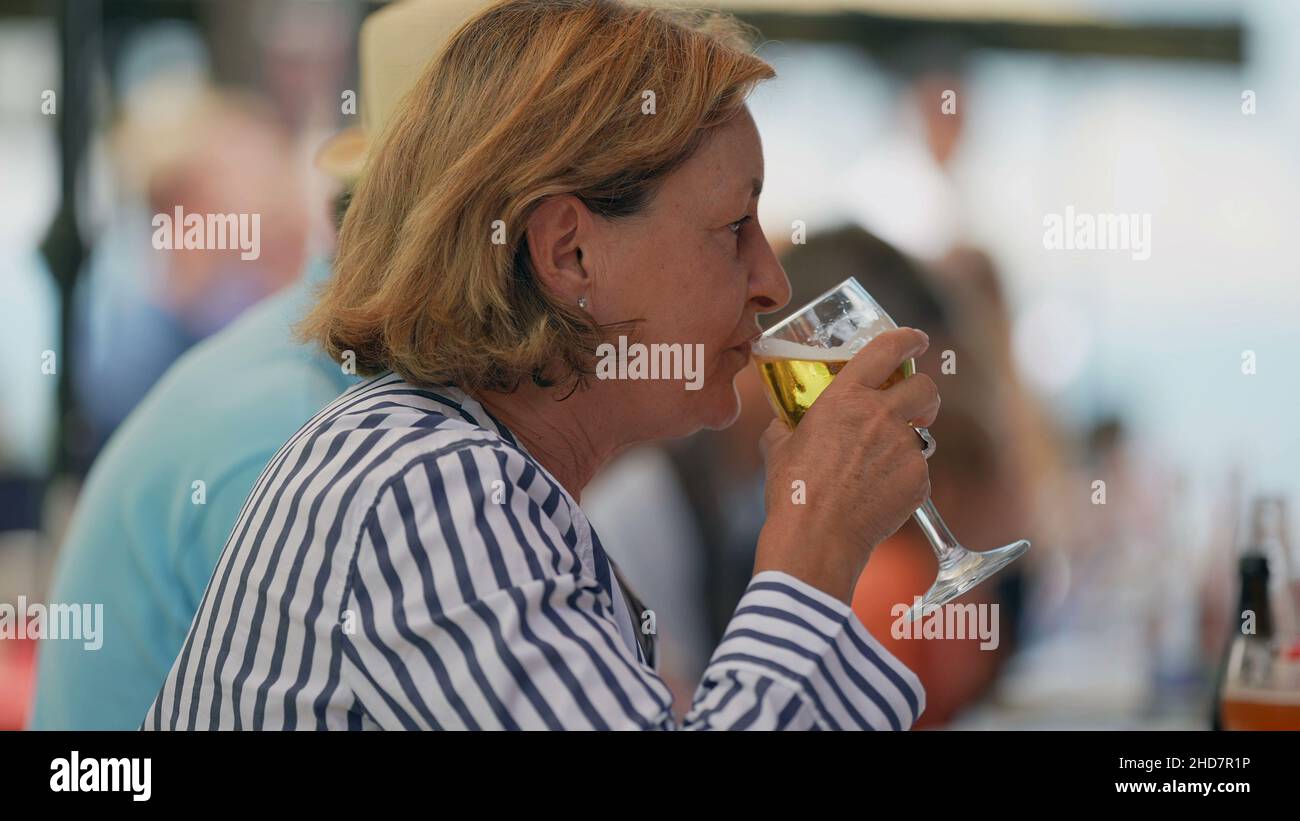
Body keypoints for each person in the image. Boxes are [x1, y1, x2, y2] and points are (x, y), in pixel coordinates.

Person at [144, 0, 939, 731]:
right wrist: (814, 544)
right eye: (734, 226)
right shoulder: (423, 487)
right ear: (568, 252)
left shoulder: (466, 472)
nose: (773, 281)